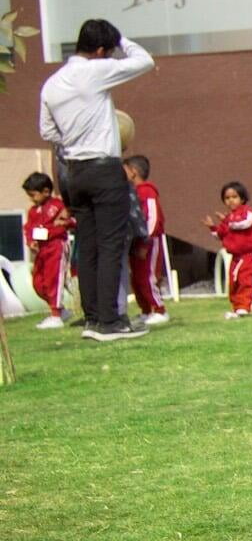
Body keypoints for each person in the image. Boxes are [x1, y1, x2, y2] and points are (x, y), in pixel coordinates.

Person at [39, 19, 154, 341]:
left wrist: (73, 138)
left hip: (73, 171)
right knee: (110, 244)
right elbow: (144, 61)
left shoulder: (52, 83)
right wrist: (124, 38)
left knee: (87, 244)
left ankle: (91, 318)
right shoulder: (94, 71)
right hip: (103, 168)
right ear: (101, 50)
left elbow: (47, 131)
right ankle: (110, 321)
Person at [21, 172, 73, 329]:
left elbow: (71, 221)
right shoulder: (32, 211)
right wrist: (30, 241)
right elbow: (29, 228)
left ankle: (56, 315)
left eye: (33, 195)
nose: (31, 199)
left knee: (53, 279)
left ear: (45, 191)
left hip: (56, 246)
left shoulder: (57, 206)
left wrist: (63, 224)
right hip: (42, 250)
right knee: (38, 282)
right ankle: (60, 311)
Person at [202, 181, 252, 320]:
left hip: (248, 256)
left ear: (242, 198)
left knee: (246, 281)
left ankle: (245, 307)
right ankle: (237, 307)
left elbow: (244, 224)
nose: (231, 201)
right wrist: (212, 227)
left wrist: (228, 221)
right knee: (234, 283)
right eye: (227, 198)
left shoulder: (248, 213)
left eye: (234, 197)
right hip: (235, 257)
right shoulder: (228, 218)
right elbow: (221, 235)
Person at [123, 155, 168, 326]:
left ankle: (159, 309)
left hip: (148, 242)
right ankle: (146, 310)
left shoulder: (147, 191)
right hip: (135, 242)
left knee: (147, 277)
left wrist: (145, 241)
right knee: (136, 278)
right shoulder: (131, 193)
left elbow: (152, 217)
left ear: (133, 172)